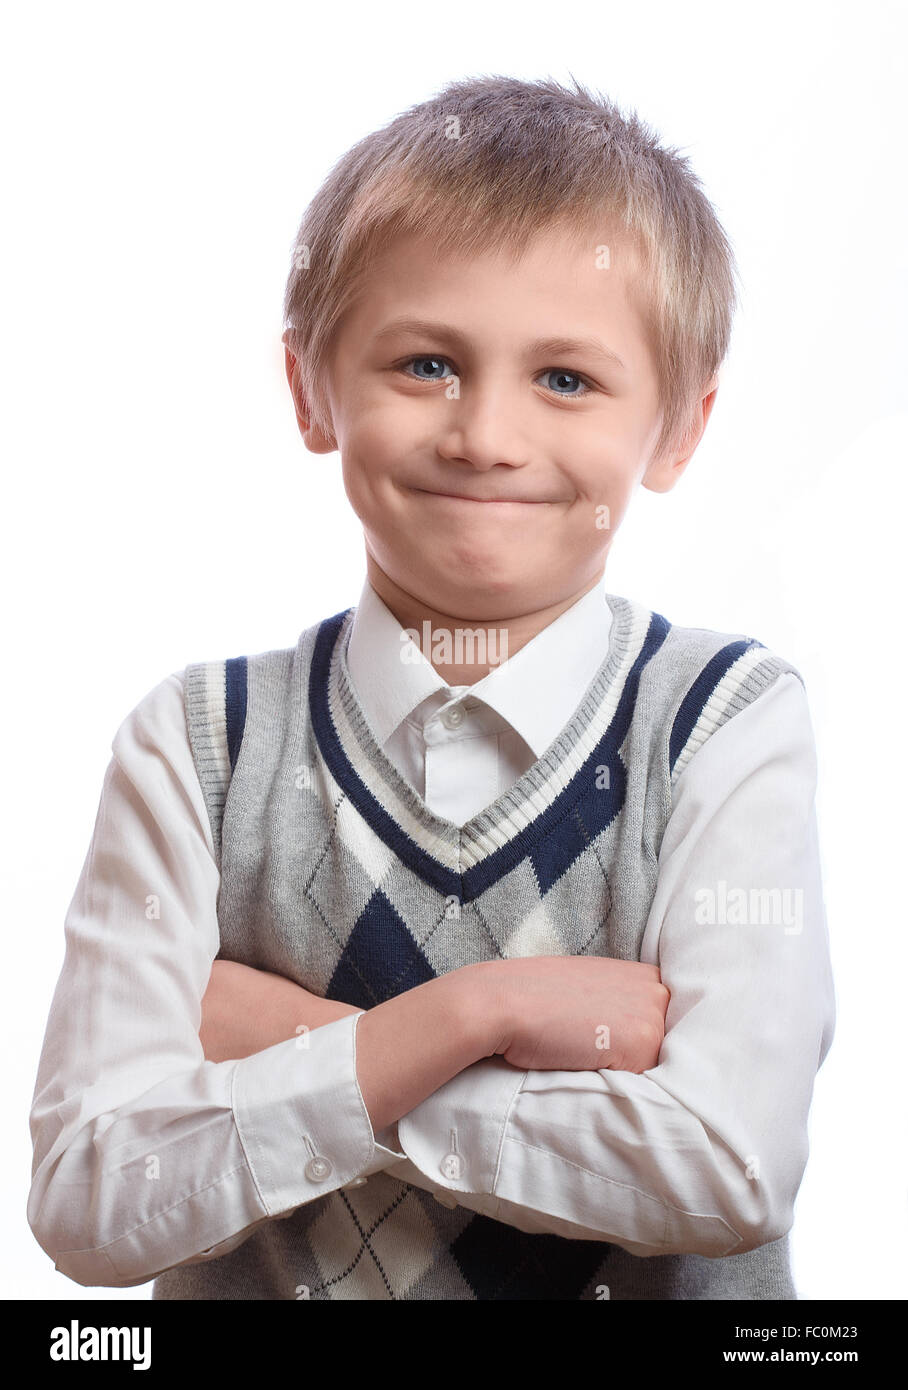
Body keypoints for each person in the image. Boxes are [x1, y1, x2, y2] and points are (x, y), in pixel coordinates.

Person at [27, 73, 835, 1300]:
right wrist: (479, 1013)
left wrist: (300, 1055)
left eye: (565, 379)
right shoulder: (195, 746)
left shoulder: (722, 720)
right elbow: (90, 1199)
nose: (485, 436)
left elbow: (725, 1166)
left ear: (676, 429)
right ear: (309, 389)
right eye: (424, 364)